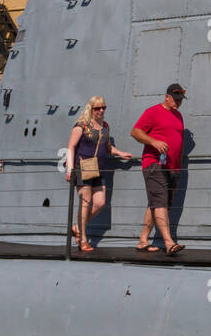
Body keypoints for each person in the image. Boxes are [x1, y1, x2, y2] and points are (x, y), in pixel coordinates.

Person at [65, 96, 134, 252]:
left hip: (98, 169)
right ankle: (83, 240)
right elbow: (71, 147)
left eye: (103, 107)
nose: (101, 110)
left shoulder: (105, 126)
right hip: (83, 167)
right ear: (91, 109)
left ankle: (78, 227)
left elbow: (108, 147)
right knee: (85, 203)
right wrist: (70, 169)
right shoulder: (81, 125)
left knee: (100, 203)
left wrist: (120, 153)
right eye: (97, 108)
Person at [130, 83, 186, 254]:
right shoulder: (153, 112)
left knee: (156, 203)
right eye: (175, 99)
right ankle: (169, 243)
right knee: (160, 202)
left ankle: (143, 240)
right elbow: (135, 132)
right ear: (167, 97)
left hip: (172, 168)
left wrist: (178, 166)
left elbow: (179, 141)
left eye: (180, 100)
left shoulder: (178, 116)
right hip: (154, 164)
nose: (178, 102)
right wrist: (153, 142)